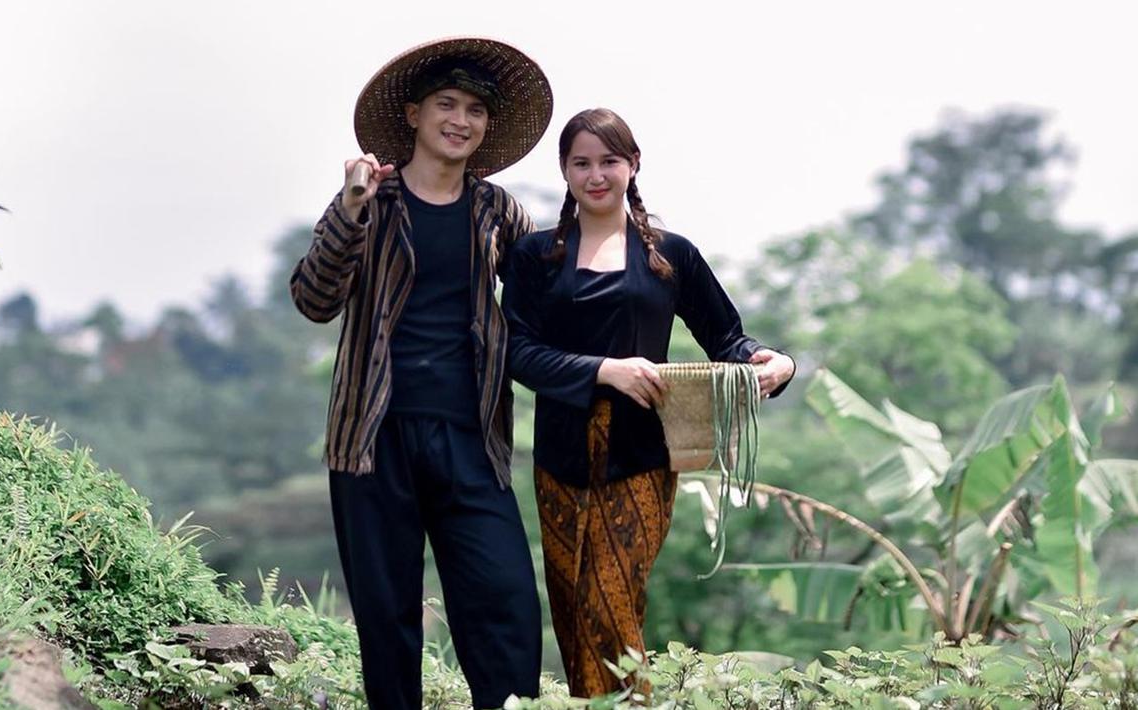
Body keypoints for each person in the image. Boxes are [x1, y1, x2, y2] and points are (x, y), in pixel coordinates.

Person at [289, 38, 552, 709]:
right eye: (445, 104)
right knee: (388, 619)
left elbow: (549, 305)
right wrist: (349, 209)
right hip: (371, 439)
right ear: (413, 114)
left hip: (471, 439)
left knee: (507, 607)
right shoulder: (368, 202)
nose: (460, 119)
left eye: (473, 110)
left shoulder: (498, 212)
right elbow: (314, 300)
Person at [502, 107, 796, 698]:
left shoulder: (671, 254)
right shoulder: (537, 257)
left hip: (641, 456)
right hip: (560, 456)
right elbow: (515, 353)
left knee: (611, 601)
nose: (596, 175)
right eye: (581, 163)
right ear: (564, 171)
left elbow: (728, 338)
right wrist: (604, 370)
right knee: (570, 604)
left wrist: (778, 363)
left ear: (633, 165)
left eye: (609, 161)